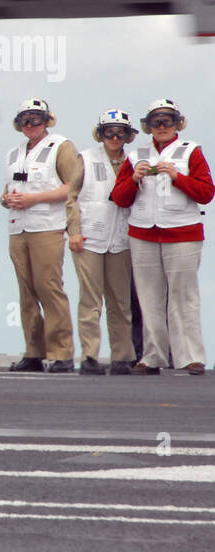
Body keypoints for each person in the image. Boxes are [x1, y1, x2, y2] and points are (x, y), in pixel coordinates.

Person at [110, 99, 213, 376]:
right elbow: (119, 198)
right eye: (156, 121)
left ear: (178, 123)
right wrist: (133, 179)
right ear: (148, 126)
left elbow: (206, 193)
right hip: (143, 234)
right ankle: (153, 356)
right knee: (149, 297)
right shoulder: (136, 155)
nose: (162, 126)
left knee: (184, 296)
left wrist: (178, 176)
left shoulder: (191, 151)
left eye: (167, 120)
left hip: (183, 233)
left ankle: (191, 357)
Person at [1, 98, 82, 373]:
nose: (30, 124)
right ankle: (33, 352)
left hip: (47, 226)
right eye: (25, 119)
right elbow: (8, 189)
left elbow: (72, 187)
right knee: (26, 292)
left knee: (49, 287)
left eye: (35, 118)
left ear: (46, 120)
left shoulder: (62, 146)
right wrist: (8, 199)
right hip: (18, 227)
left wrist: (34, 199)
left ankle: (62, 353)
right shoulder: (14, 153)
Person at [69, 109, 137, 376]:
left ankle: (122, 356)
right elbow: (72, 196)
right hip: (88, 238)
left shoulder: (134, 161)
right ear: (101, 134)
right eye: (109, 131)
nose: (115, 137)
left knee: (120, 301)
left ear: (128, 135)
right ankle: (89, 355)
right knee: (90, 300)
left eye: (120, 131)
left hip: (121, 239)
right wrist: (74, 230)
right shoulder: (86, 158)